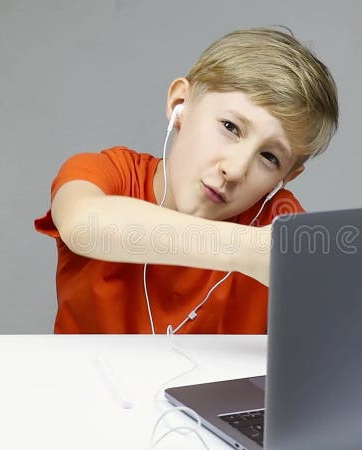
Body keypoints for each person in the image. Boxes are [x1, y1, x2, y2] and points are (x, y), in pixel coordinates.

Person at [34, 27, 339, 334]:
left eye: (269, 158)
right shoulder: (108, 173)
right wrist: (249, 251)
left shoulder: (279, 223)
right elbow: (83, 225)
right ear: (180, 104)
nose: (234, 170)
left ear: (287, 177)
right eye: (231, 127)